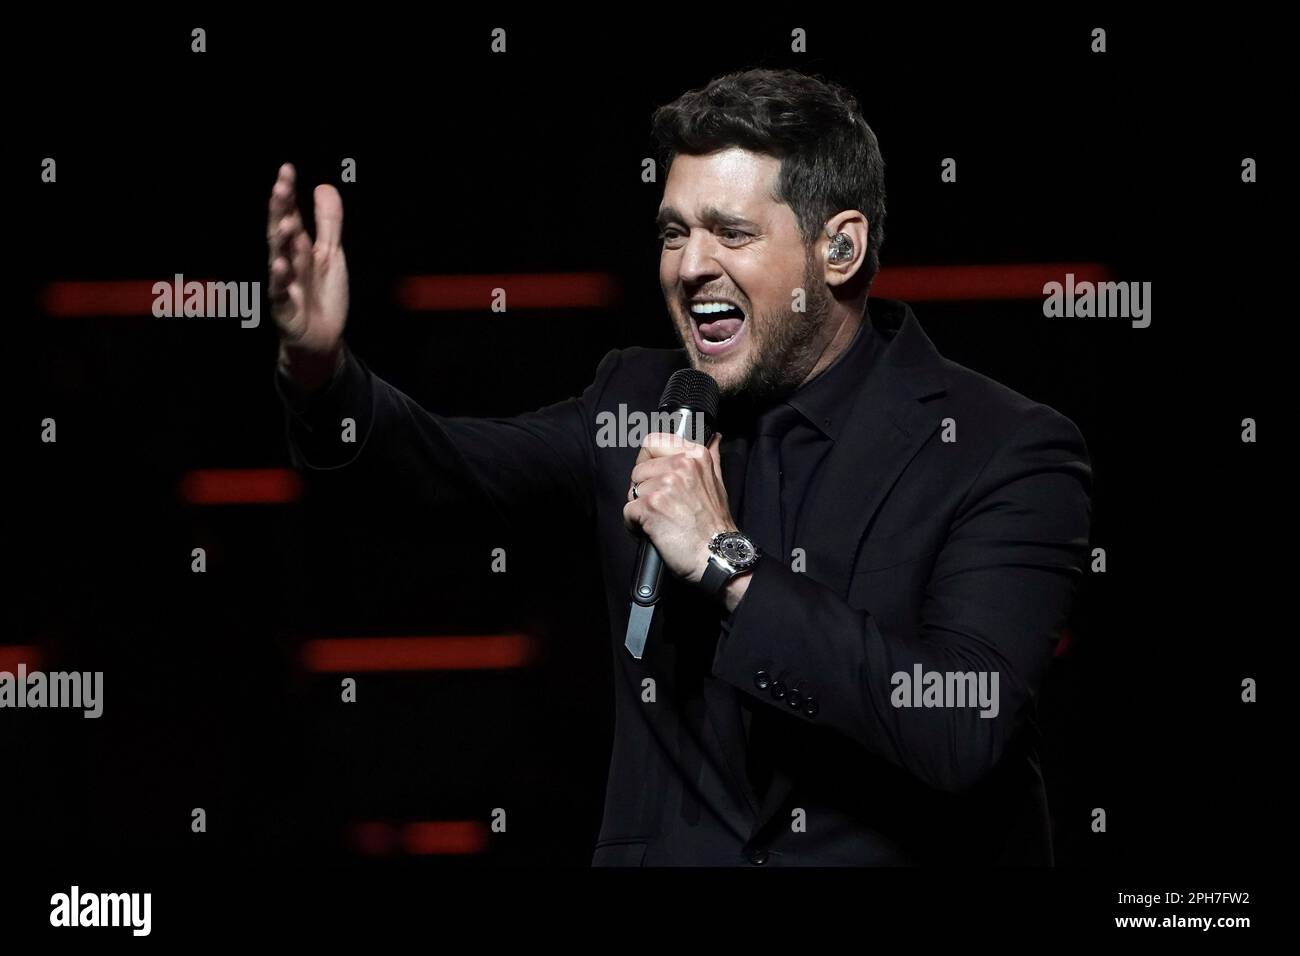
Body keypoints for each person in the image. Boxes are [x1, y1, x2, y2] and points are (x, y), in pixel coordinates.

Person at [268, 68, 1092, 865]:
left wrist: (730, 565)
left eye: (730, 232)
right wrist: (323, 374)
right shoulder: (636, 399)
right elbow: (435, 475)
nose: (689, 264)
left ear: (840, 250)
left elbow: (962, 724)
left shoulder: (1000, 447)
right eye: (673, 231)